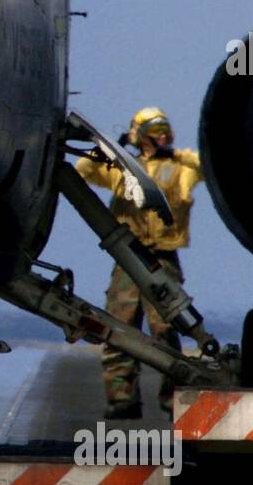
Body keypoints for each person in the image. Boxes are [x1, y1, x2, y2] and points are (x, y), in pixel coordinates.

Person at [75, 107, 203, 419]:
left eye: (165, 127)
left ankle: (173, 401)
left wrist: (175, 153)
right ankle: (122, 400)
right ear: (139, 133)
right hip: (126, 257)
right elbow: (84, 169)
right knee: (118, 328)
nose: (163, 133)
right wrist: (109, 149)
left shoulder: (180, 167)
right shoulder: (121, 168)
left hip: (162, 259)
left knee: (166, 330)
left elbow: (204, 164)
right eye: (155, 128)